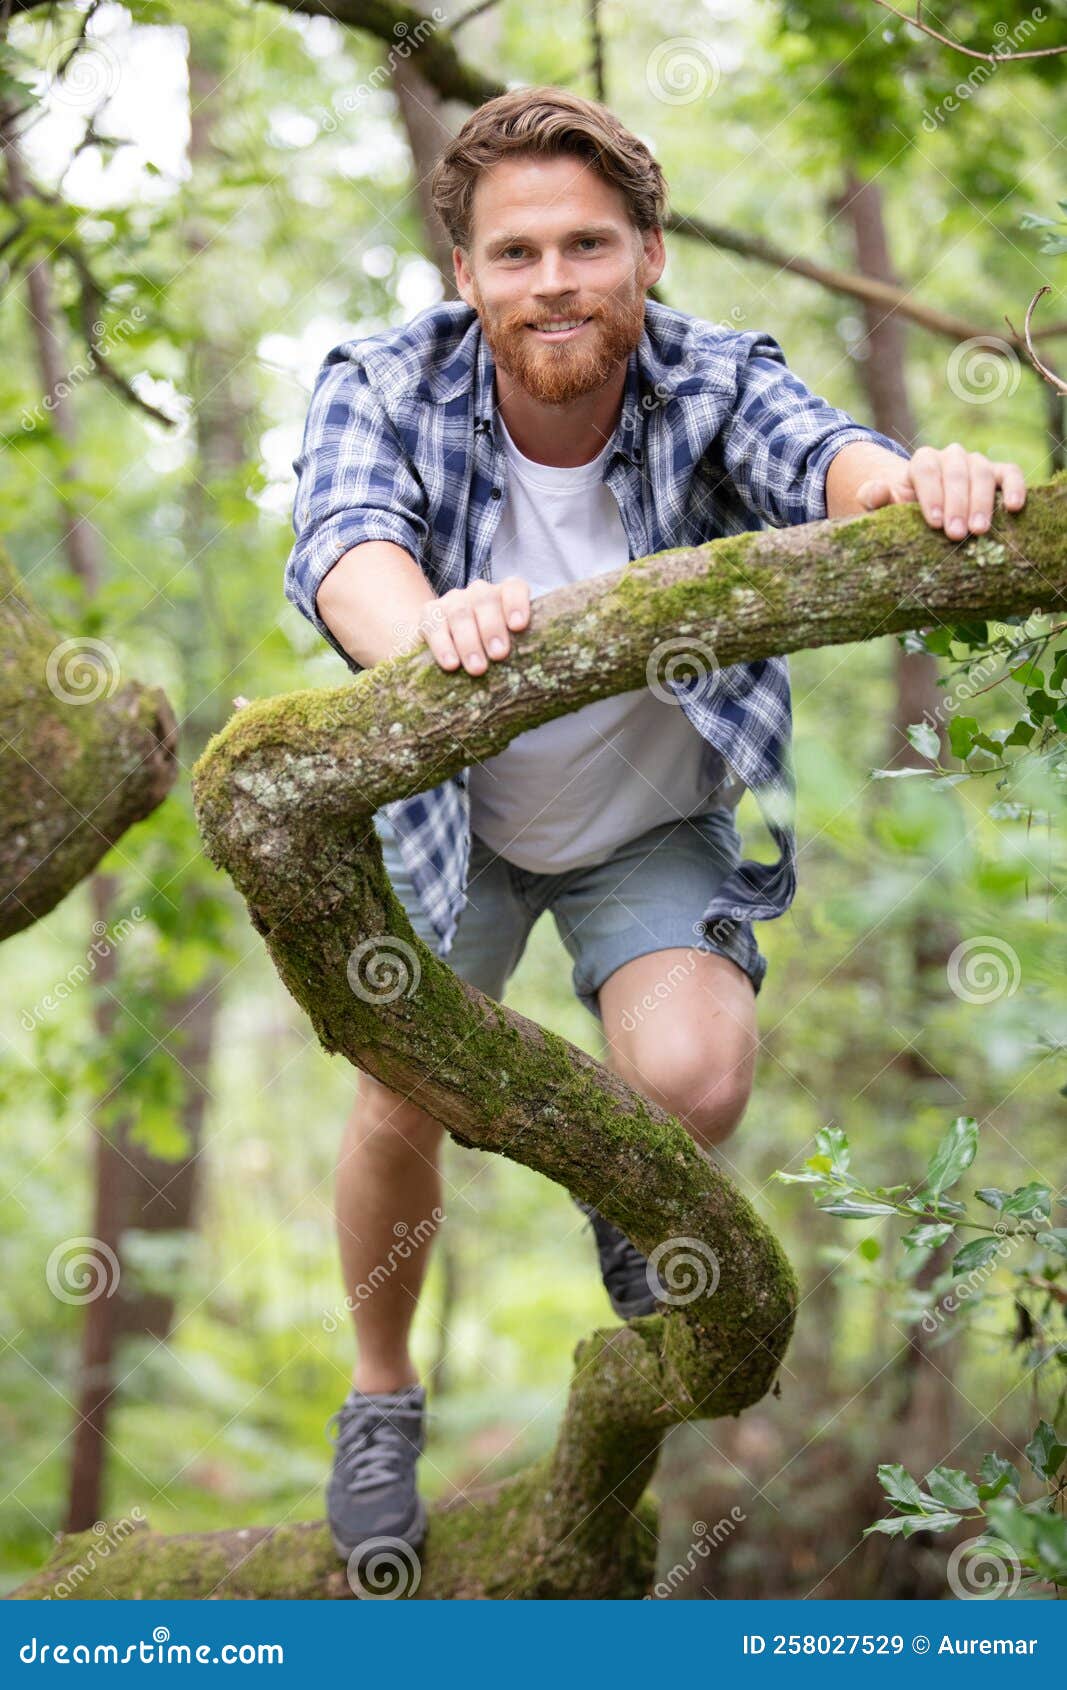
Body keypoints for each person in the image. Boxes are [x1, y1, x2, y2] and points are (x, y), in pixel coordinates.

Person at [283, 86, 1027, 1567]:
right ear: (463, 275)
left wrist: (916, 479)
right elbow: (342, 546)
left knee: (690, 1074)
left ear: (651, 253)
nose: (551, 280)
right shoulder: (380, 376)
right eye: (515, 254)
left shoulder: (709, 374)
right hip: (451, 821)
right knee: (394, 1098)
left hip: (648, 821)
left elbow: (828, 459)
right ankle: (381, 1396)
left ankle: (630, 1200)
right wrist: (431, 633)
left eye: (586, 244)